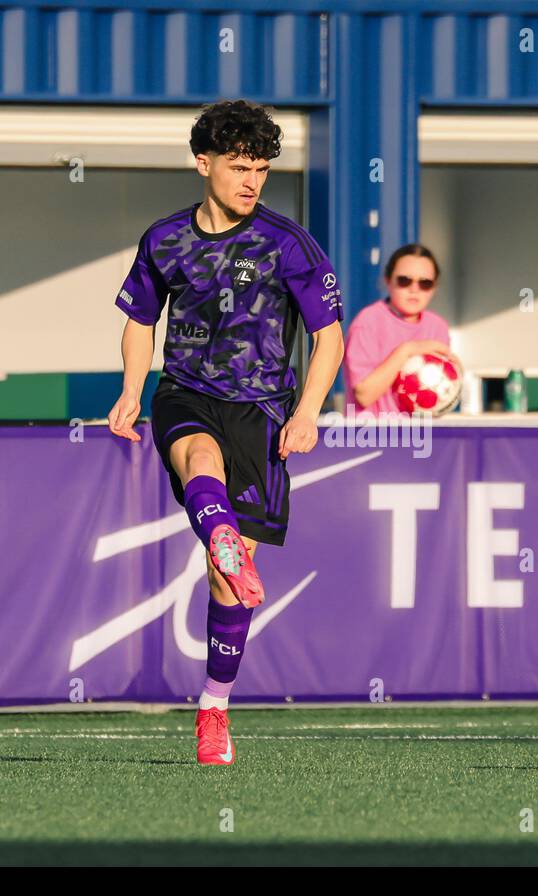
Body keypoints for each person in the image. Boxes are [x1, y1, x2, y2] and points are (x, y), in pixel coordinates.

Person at [106, 99, 344, 766]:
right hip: (185, 394)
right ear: (202, 161)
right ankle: (221, 533)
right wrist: (132, 389)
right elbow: (140, 319)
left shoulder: (288, 243)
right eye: (240, 166)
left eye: (263, 169)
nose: (252, 181)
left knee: (223, 584)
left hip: (263, 414)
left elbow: (329, 337)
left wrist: (308, 413)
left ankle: (214, 707)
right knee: (196, 456)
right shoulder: (164, 240)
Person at [343, 244, 455, 414]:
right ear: (387, 281)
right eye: (404, 280)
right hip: (370, 435)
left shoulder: (437, 327)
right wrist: (406, 351)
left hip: (420, 436)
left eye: (425, 283)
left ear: (434, 287)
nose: (414, 289)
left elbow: (441, 397)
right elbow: (364, 395)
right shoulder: (368, 322)